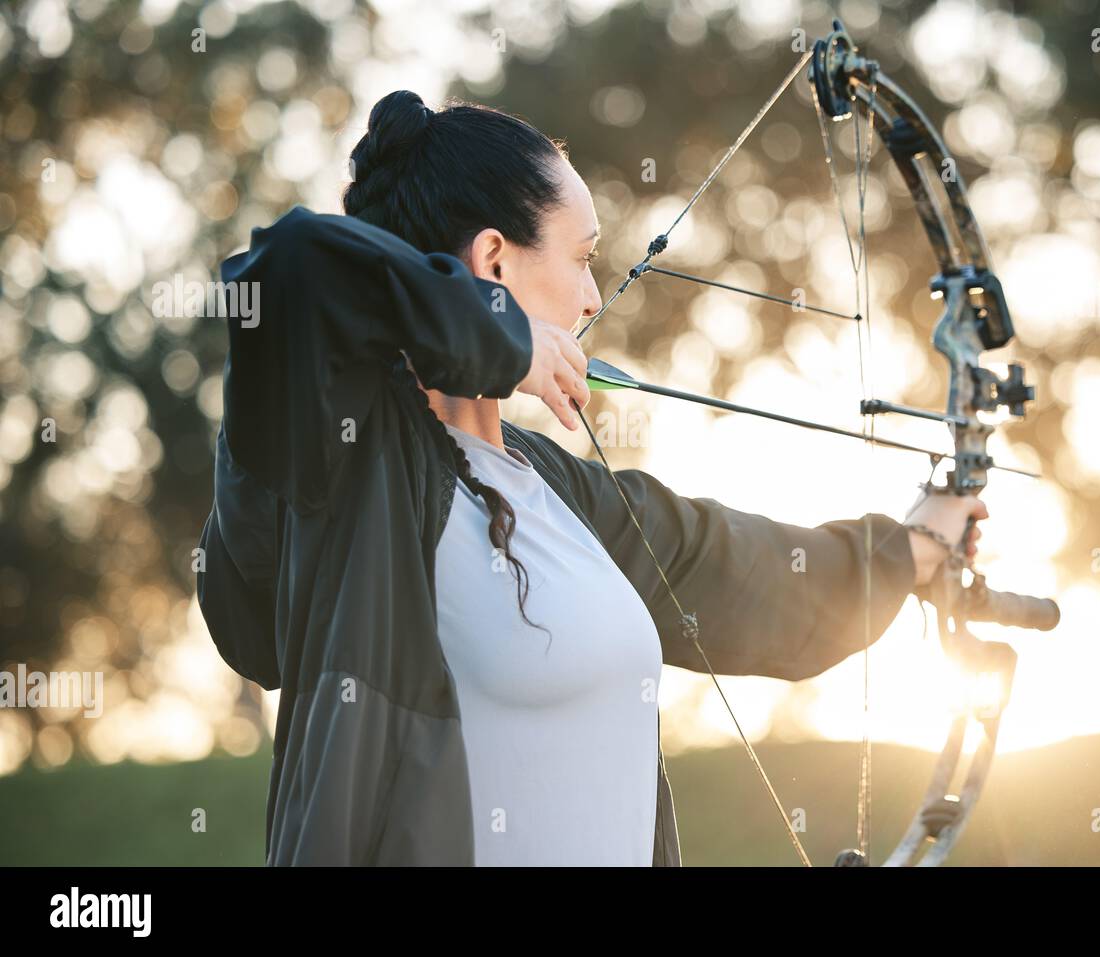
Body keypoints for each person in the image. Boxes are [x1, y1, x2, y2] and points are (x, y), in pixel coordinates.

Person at [196, 91, 987, 866]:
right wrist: (499, 334)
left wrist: (914, 547)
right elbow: (287, 269)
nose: (590, 295)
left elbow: (743, 568)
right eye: (581, 258)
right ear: (493, 260)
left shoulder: (559, 494)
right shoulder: (340, 462)